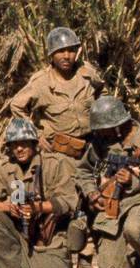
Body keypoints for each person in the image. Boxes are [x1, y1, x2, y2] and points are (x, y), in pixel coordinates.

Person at [75, 96, 140, 268]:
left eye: (105, 129)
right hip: (112, 206)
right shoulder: (101, 143)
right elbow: (83, 170)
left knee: (134, 228)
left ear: (118, 125)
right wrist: (92, 193)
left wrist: (135, 179)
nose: (101, 134)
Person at [0, 119, 77, 268]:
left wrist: (38, 207)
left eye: (23, 143)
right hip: (20, 235)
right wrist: (8, 207)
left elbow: (69, 201)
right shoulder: (5, 168)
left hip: (49, 237)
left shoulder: (54, 164)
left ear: (34, 143)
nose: (19, 149)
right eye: (14, 145)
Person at [9, 26, 103, 165]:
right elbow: (16, 105)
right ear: (51, 55)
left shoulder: (87, 73)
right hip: (60, 153)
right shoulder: (41, 82)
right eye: (60, 51)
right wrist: (36, 136)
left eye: (71, 50)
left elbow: (102, 91)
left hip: (92, 145)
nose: (66, 56)